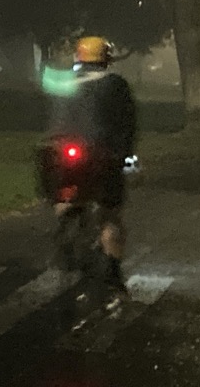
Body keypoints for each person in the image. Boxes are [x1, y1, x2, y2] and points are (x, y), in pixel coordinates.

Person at [40, 34, 138, 290]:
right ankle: (114, 274)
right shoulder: (115, 85)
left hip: (58, 152)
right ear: (106, 59)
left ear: (79, 57)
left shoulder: (62, 82)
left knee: (63, 195)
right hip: (100, 154)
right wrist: (128, 159)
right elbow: (127, 126)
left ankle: (64, 223)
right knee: (110, 215)